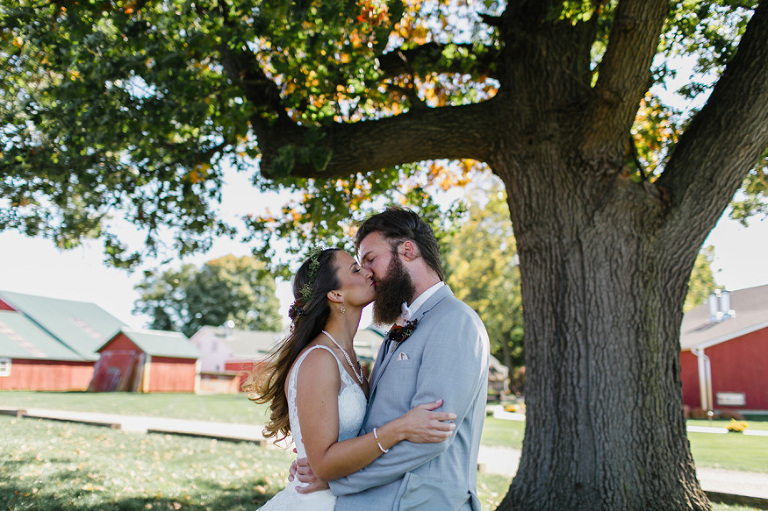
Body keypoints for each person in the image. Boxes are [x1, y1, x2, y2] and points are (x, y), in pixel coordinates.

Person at [295, 207, 490, 510]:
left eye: (371, 259)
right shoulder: (397, 330)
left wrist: (337, 479)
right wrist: (326, 462)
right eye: (360, 266)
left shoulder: (455, 321)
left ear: (407, 250)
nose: (368, 272)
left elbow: (432, 435)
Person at [246, 247, 457, 510]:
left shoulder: (350, 358)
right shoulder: (319, 359)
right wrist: (400, 428)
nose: (368, 272)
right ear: (335, 294)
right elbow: (323, 464)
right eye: (356, 269)